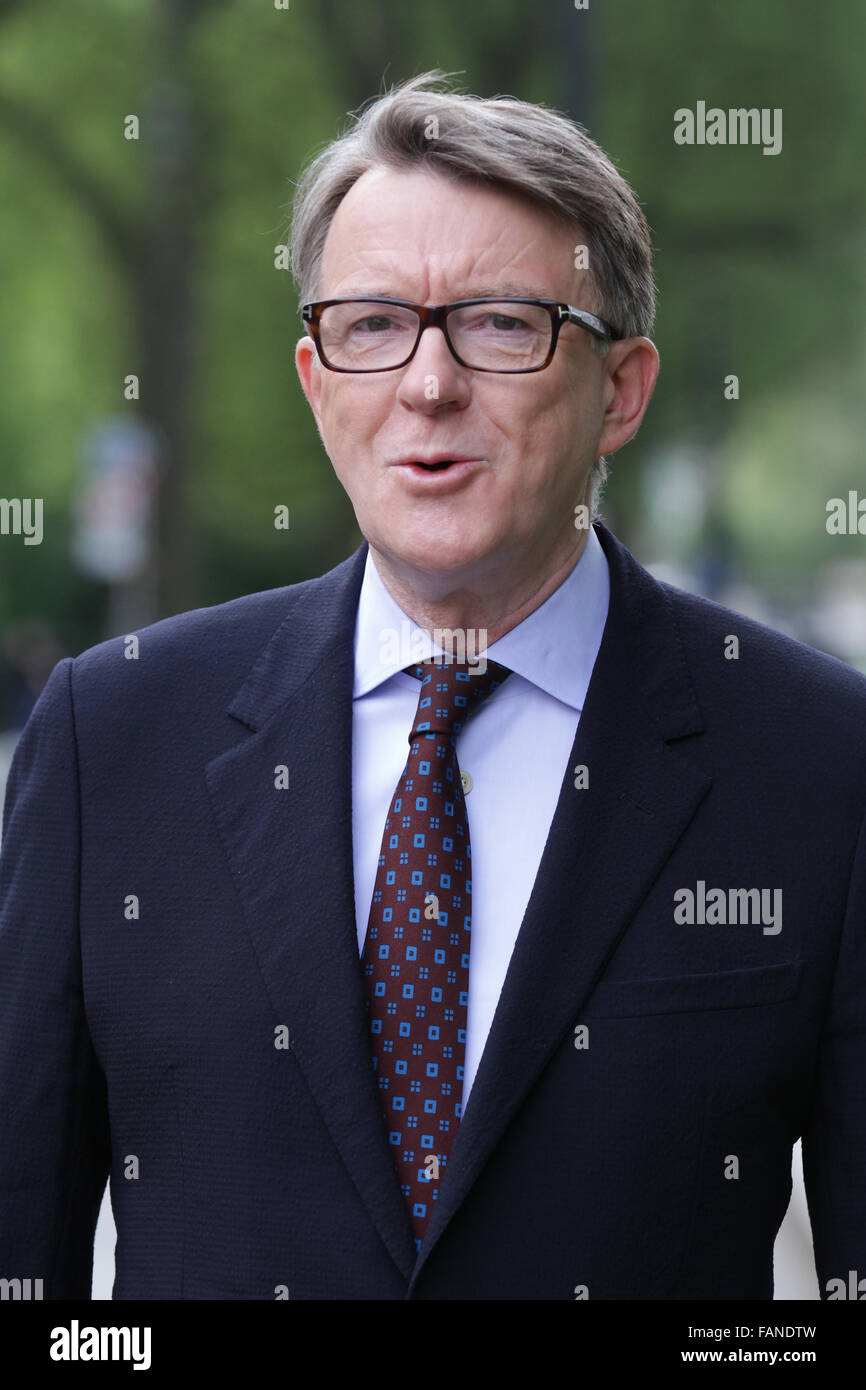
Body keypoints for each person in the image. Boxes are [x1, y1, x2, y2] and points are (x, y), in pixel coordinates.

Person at [1, 71, 864, 1302]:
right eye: (370, 326)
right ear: (316, 380)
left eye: (504, 323)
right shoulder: (110, 739)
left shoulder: (821, 766)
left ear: (618, 390)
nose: (427, 384)